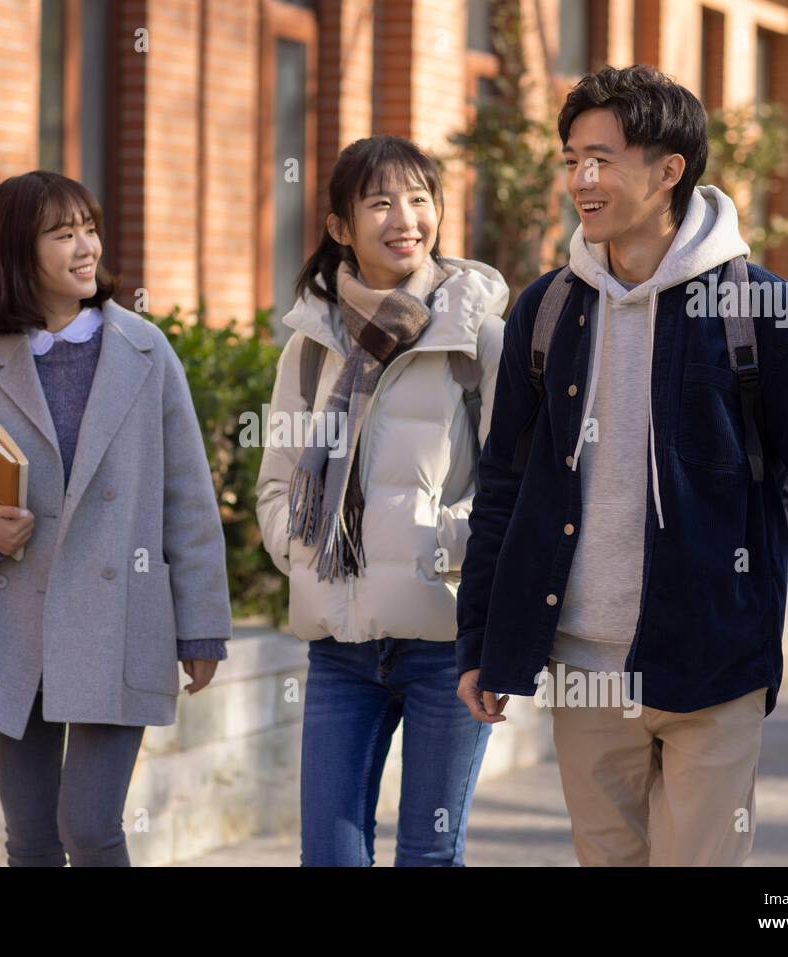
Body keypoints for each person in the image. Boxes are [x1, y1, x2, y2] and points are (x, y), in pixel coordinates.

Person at [456, 65, 788, 866]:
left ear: (670, 170)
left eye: (601, 159)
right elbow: (504, 484)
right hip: (582, 671)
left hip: (714, 663)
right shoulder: (546, 310)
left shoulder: (761, 314)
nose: (580, 181)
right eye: (570, 161)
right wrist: (480, 642)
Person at [0, 170, 231, 866]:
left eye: (89, 227)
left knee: (89, 826)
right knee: (33, 840)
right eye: (62, 233)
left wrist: (202, 623)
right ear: (19, 252)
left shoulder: (145, 351)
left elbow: (188, 498)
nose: (86, 246)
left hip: (121, 623)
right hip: (14, 625)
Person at [256, 135, 510, 865]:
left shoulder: (477, 341)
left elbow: (507, 492)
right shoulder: (309, 347)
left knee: (428, 853)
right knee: (330, 856)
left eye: (421, 198)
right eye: (381, 202)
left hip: (448, 645)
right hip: (340, 645)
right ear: (340, 226)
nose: (406, 218)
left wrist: (432, 549)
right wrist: (304, 548)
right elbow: (276, 482)